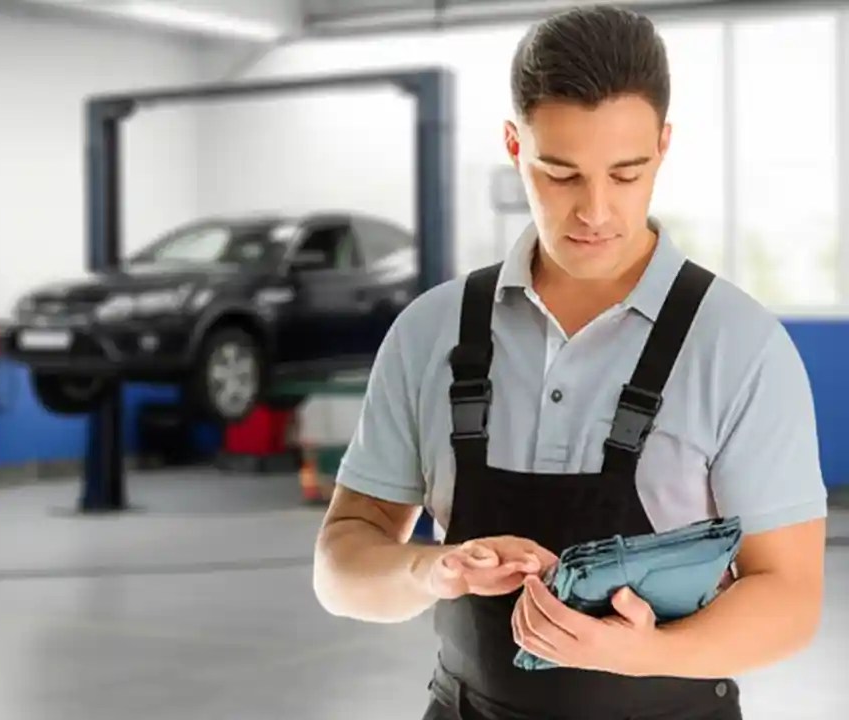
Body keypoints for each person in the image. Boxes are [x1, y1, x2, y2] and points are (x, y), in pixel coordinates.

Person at [311, 5, 828, 720]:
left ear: (664, 145)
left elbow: (791, 598)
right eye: (560, 173)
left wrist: (645, 654)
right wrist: (434, 568)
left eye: (626, 173)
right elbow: (341, 567)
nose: (594, 210)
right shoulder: (429, 333)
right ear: (514, 146)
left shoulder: (739, 345)